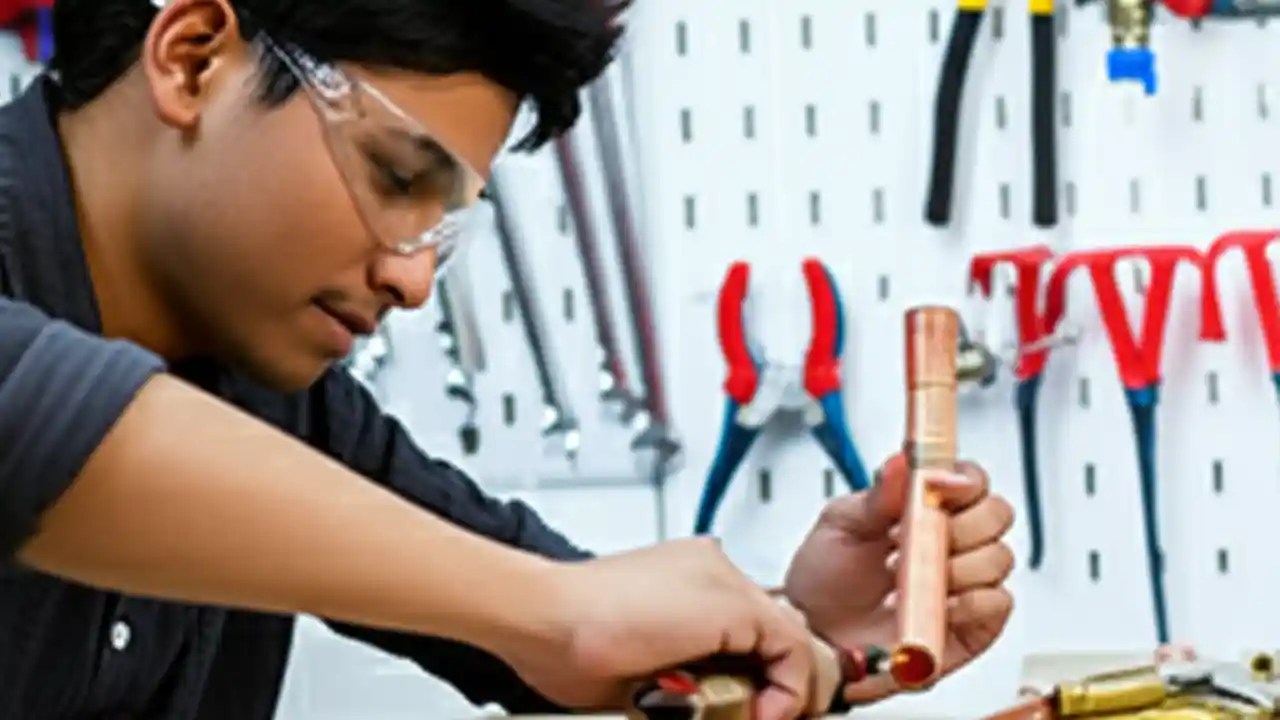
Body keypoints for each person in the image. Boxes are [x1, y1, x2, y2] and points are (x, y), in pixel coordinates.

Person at [0, 0, 1017, 718]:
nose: (410, 281)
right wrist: (554, 612)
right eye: (397, 177)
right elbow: (36, 428)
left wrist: (804, 633)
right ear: (189, 57)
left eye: (443, 227)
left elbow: (560, 636)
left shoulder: (272, 390)